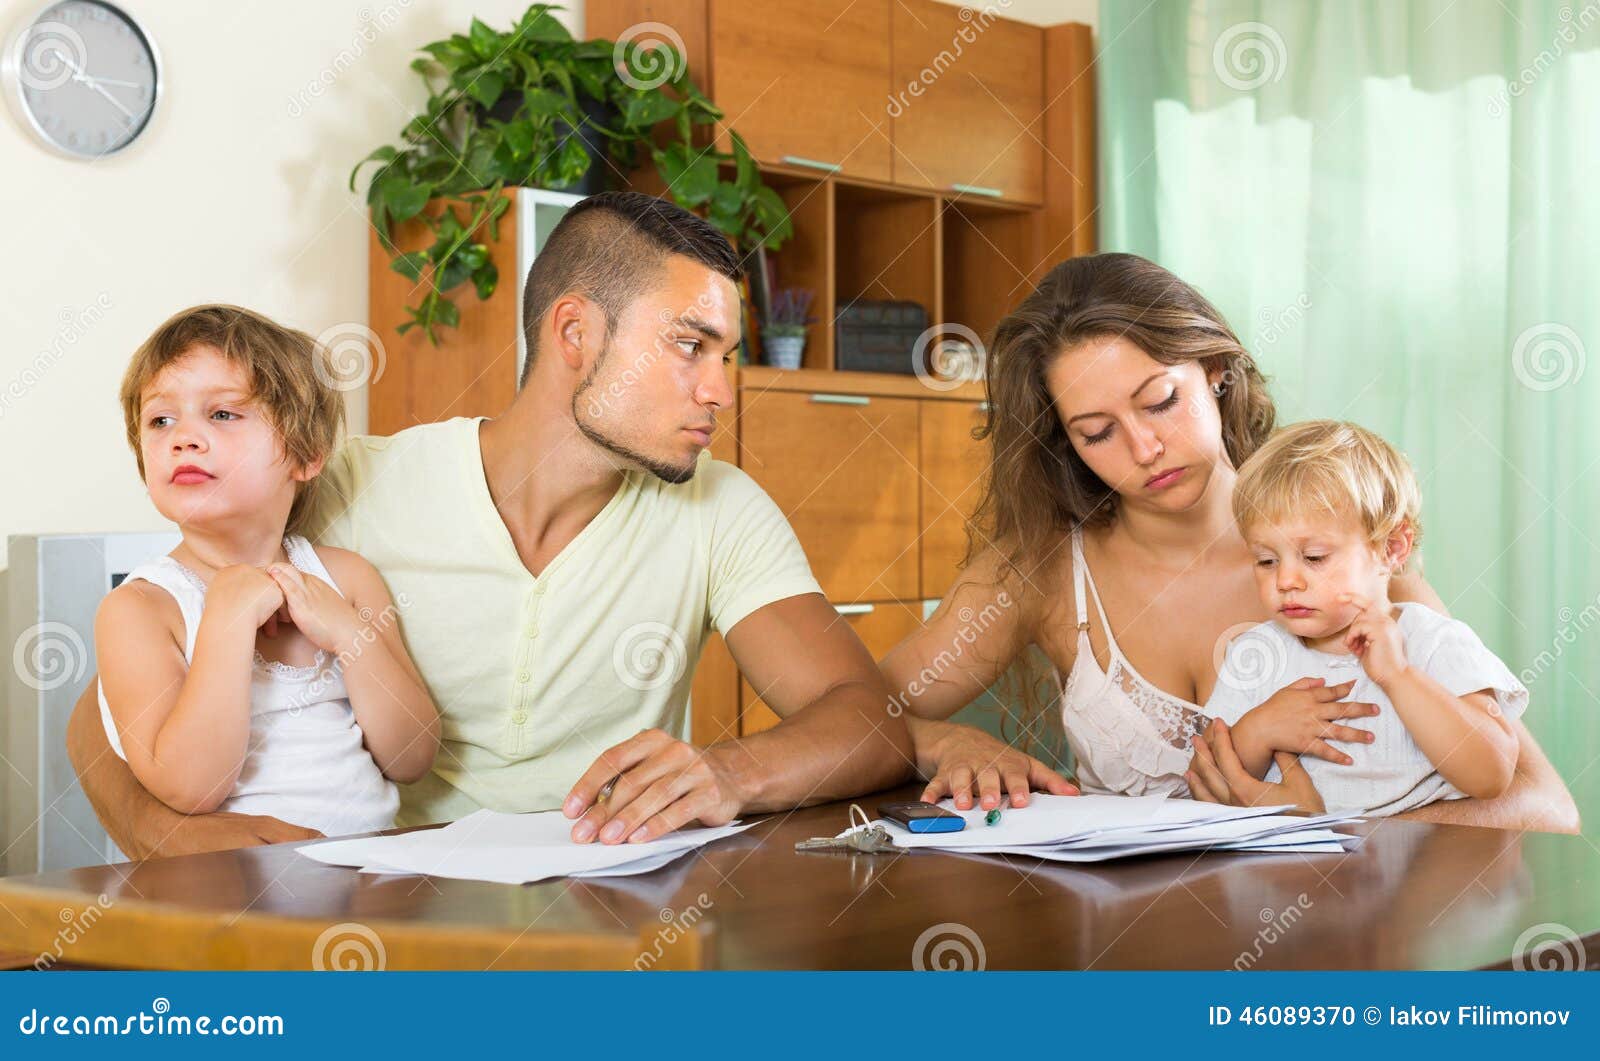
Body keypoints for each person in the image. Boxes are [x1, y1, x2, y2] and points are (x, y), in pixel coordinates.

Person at [68, 191, 914, 858]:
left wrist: (726, 771)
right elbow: (110, 709)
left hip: (610, 904)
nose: (721, 392)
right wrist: (174, 839)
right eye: (691, 346)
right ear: (575, 333)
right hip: (394, 906)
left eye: (726, 357)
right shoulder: (353, 484)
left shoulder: (718, 507)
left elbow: (866, 719)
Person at [883, 252, 1577, 832]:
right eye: (1097, 432)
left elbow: (1543, 805)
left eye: (1160, 400)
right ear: (1065, 442)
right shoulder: (1039, 570)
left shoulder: (1341, 542)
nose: (1146, 446)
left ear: (1216, 369)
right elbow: (849, 713)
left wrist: (1319, 833)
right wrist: (950, 741)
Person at [95, 305, 439, 838]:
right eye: (161, 420)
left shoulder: (346, 579)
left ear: (305, 455)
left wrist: (350, 633)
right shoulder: (139, 610)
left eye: (222, 414)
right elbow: (190, 788)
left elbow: (411, 757)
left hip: (369, 878)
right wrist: (226, 622)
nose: (182, 437)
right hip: (227, 893)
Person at [1198, 419, 1525, 816]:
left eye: (1314, 557)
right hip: (1288, 868)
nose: (1285, 580)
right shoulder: (1255, 652)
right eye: (1266, 560)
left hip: (1418, 869)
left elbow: (1492, 775)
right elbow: (1210, 786)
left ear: (1391, 548)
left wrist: (1399, 676)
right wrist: (1258, 730)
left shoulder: (1433, 641)